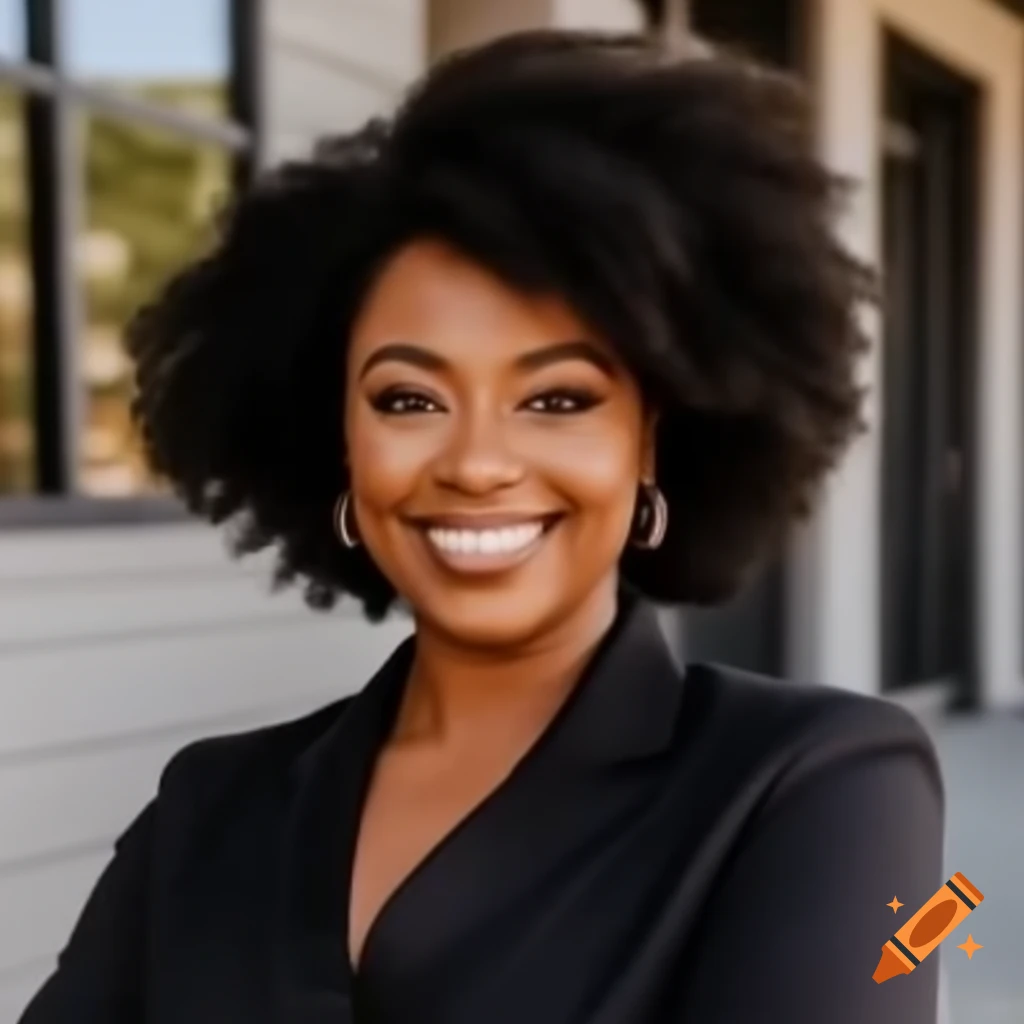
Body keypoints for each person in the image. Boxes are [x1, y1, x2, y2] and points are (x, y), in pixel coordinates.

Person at [19, 29, 943, 1024]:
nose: (474, 462)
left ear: (650, 443)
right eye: (408, 400)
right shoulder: (209, 808)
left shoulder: (825, 786)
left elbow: (919, 940)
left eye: (556, 400)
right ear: (336, 440)